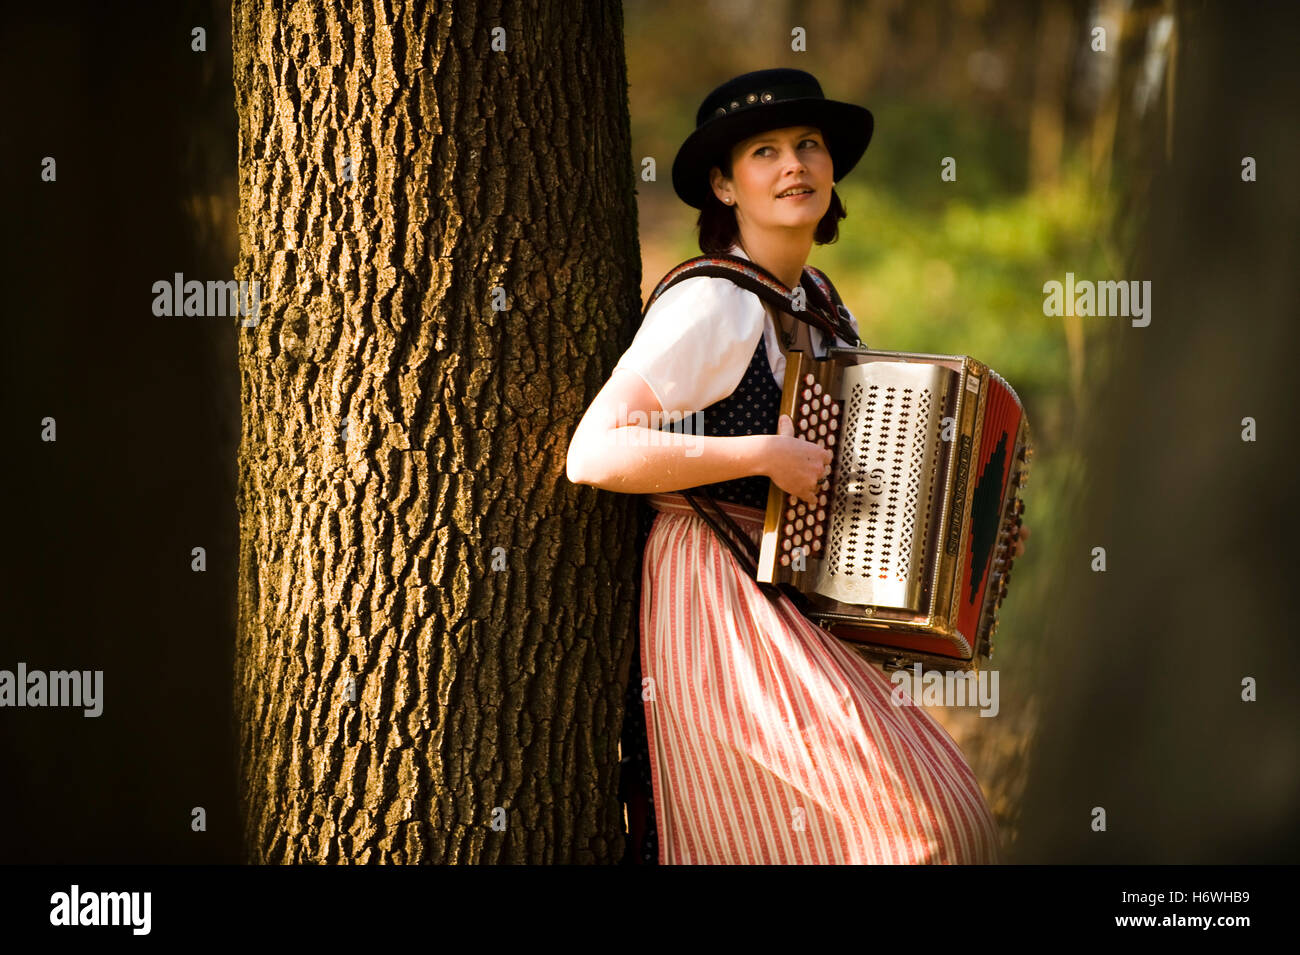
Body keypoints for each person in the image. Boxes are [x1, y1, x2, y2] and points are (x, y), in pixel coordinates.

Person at [567, 68, 1023, 864]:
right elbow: (593, 451)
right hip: (717, 593)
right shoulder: (713, 303)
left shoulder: (819, 298)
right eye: (765, 151)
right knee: (915, 837)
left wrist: (973, 542)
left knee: (954, 819)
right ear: (723, 184)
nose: (794, 166)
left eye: (808, 145)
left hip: (798, 593)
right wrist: (760, 454)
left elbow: (868, 470)